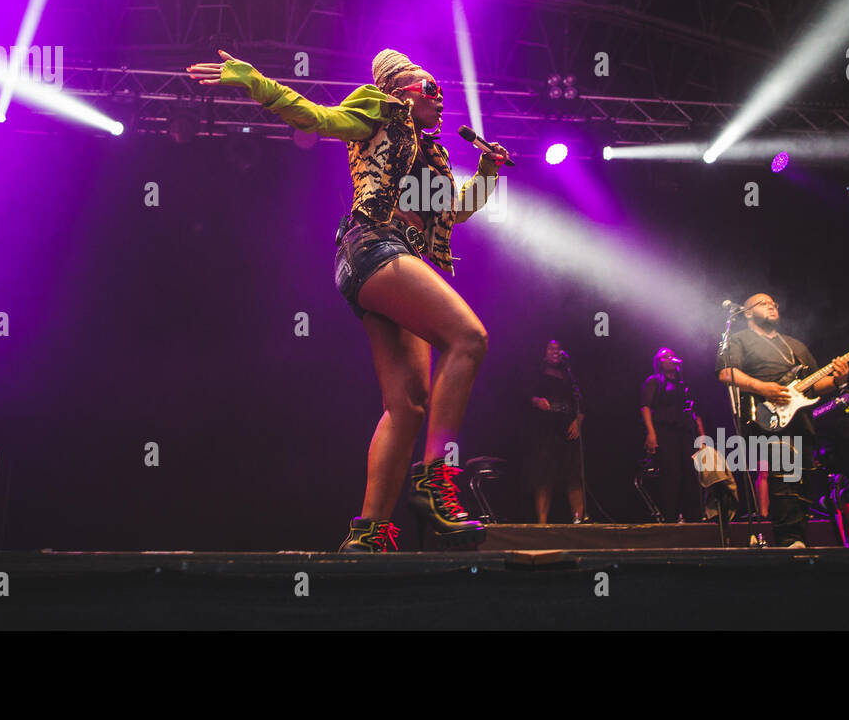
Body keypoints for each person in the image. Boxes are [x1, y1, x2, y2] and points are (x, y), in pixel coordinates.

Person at [186, 48, 508, 552]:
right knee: (468, 337)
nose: (441, 98)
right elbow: (315, 117)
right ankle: (437, 479)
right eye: (431, 89)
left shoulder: (426, 153)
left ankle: (370, 533)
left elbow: (452, 212)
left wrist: (488, 171)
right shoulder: (376, 112)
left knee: (407, 406)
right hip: (375, 245)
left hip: (389, 258)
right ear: (400, 90)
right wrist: (255, 81)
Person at [714, 293, 849, 548]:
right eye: (764, 303)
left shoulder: (795, 346)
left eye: (774, 303)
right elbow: (726, 372)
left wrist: (838, 380)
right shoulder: (740, 339)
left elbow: (815, 386)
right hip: (769, 418)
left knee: (806, 480)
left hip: (801, 420)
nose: (772, 306)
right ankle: (789, 540)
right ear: (749, 312)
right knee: (784, 477)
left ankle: (799, 539)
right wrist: (762, 387)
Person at [640, 348, 705, 522]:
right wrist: (651, 432)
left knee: (690, 474)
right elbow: (646, 406)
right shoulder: (654, 382)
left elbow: (694, 411)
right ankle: (670, 516)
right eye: (665, 357)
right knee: (672, 474)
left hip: (685, 432)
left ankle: (693, 517)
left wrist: (702, 436)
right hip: (665, 432)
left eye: (672, 355)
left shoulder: (683, 383)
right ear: (659, 362)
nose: (670, 359)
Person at [526, 340, 586, 523]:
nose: (556, 351)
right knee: (544, 477)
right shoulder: (537, 372)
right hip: (546, 428)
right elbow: (525, 396)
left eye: (559, 348)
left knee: (574, 476)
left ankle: (579, 521)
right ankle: (542, 523)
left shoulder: (569, 375)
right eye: (551, 348)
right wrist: (537, 401)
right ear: (544, 352)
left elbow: (581, 404)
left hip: (567, 428)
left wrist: (577, 422)